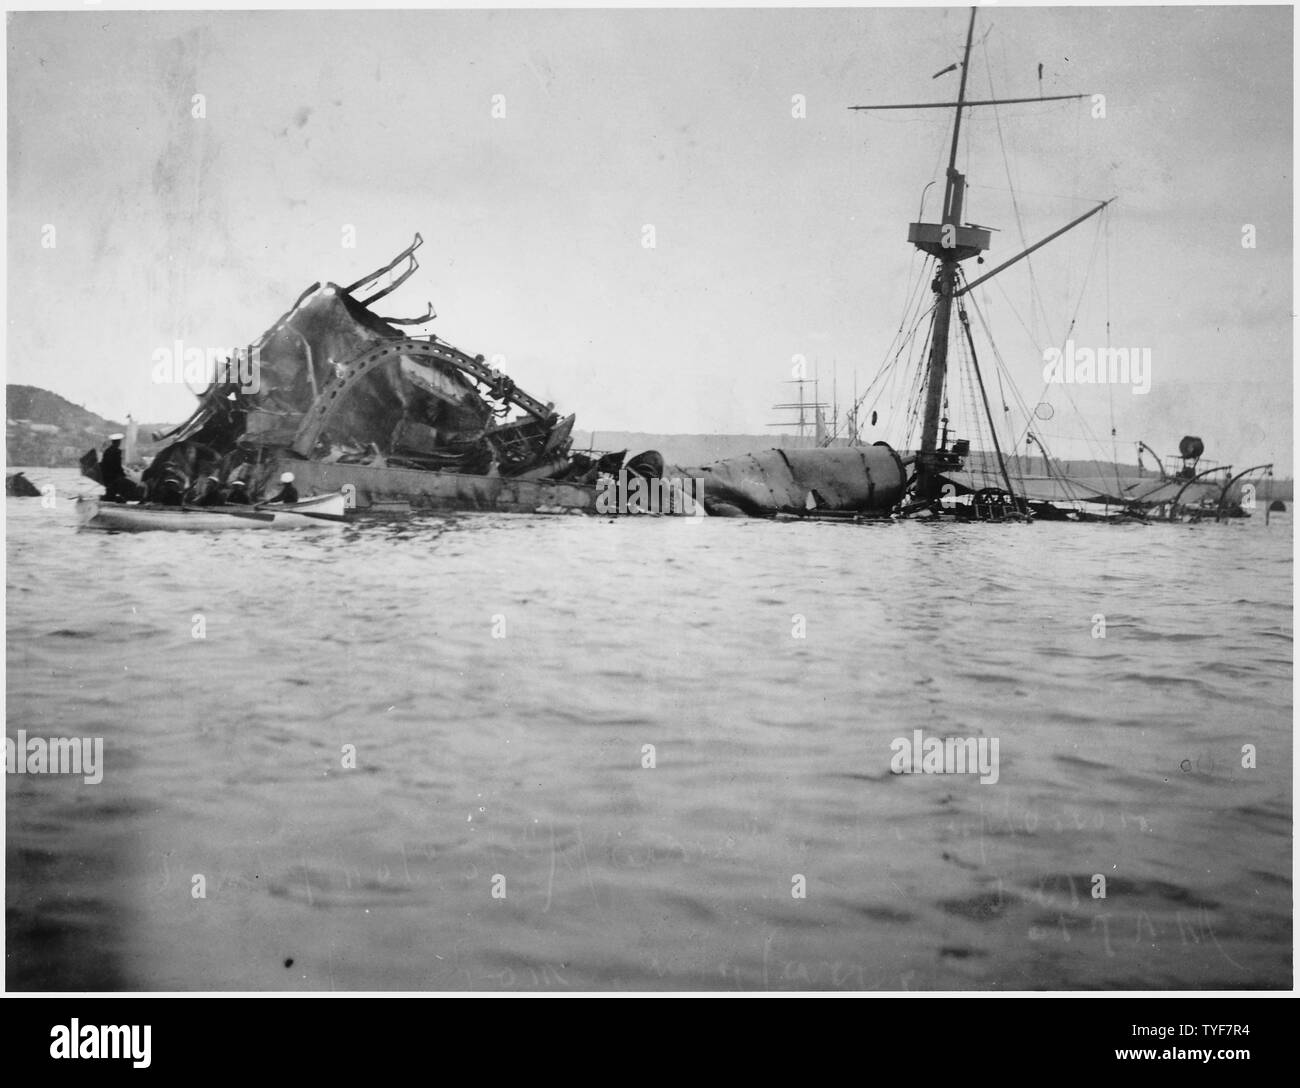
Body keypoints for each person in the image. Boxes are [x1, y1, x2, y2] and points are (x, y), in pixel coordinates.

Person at [100, 434, 128, 502]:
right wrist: (124, 474)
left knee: (110, 493)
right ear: (118, 442)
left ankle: (108, 498)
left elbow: (104, 464)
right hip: (113, 478)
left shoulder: (107, 451)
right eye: (119, 442)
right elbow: (117, 466)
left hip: (105, 476)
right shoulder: (117, 451)